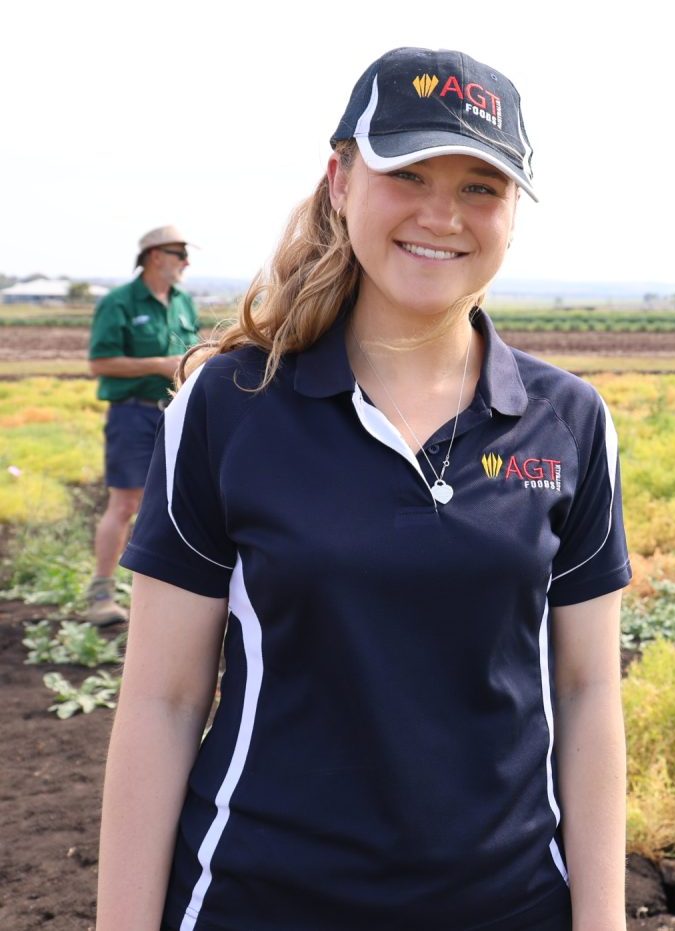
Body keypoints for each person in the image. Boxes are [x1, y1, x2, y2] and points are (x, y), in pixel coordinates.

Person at [97, 47, 631, 930]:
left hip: (509, 906)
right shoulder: (230, 407)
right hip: (260, 901)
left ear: (512, 213)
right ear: (340, 180)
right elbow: (163, 698)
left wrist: (600, 919)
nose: (441, 215)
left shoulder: (569, 422)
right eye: (409, 173)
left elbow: (585, 692)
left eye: (479, 187)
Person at [83, 226, 201, 625]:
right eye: (179, 253)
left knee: (179, 505)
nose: (186, 261)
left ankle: (164, 600)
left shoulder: (183, 302)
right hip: (133, 414)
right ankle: (101, 593)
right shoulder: (118, 303)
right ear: (155, 256)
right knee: (126, 504)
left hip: (175, 411)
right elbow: (100, 363)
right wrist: (157, 364)